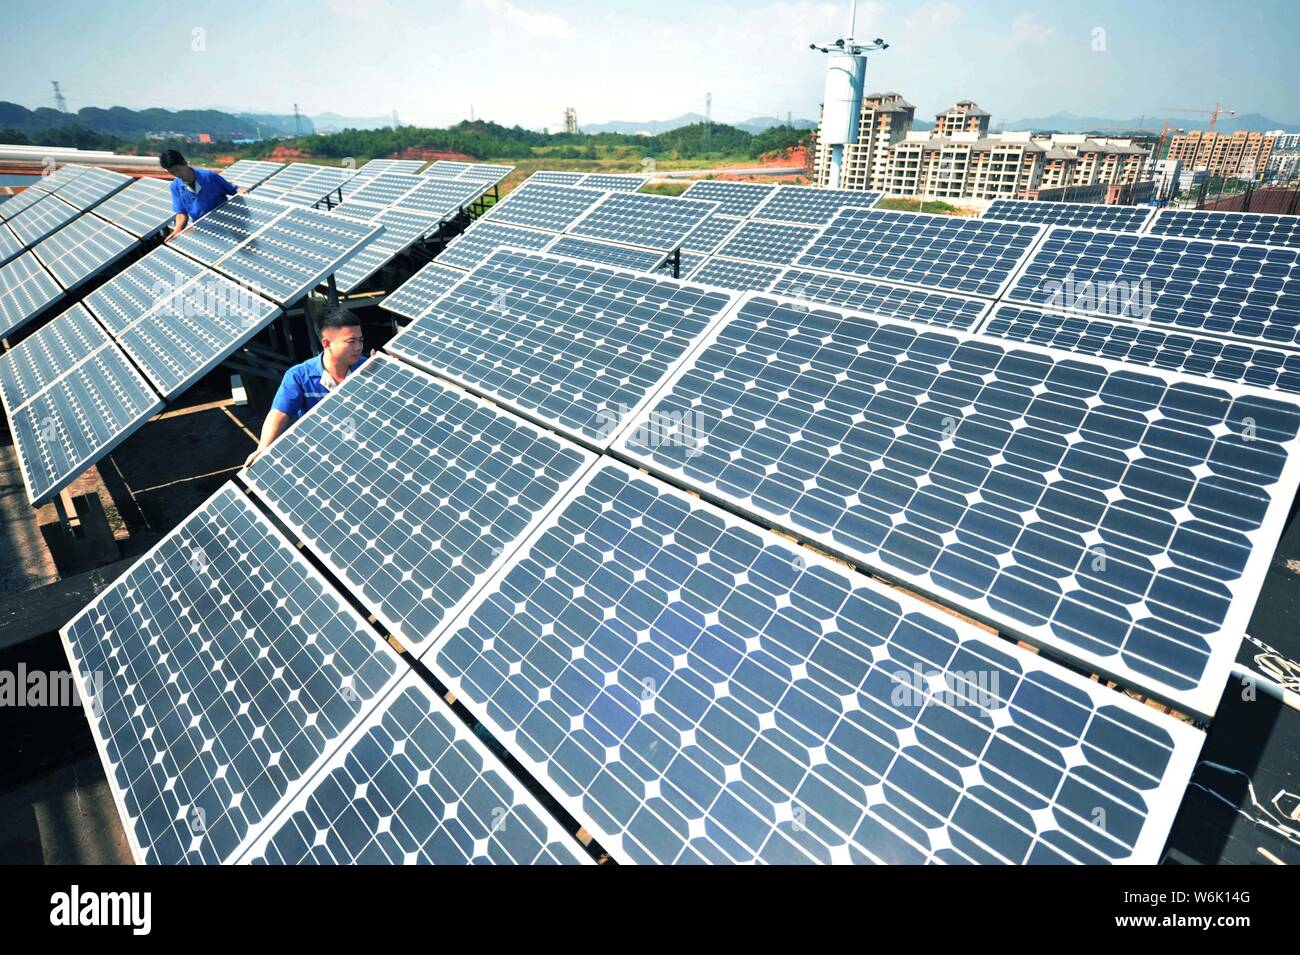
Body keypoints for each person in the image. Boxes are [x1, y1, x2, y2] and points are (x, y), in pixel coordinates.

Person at [244, 308, 369, 467]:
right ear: (326, 343)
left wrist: (389, 370)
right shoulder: (298, 376)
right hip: (320, 455)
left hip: (362, 449)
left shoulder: (368, 368)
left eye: (361, 340)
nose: (358, 347)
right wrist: (263, 448)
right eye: (351, 342)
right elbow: (279, 413)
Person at [159, 149, 243, 241]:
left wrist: (240, 190)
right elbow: (181, 213)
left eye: (178, 170)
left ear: (185, 163)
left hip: (227, 227)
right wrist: (177, 231)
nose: (177, 174)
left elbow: (233, 190)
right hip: (204, 231)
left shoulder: (209, 176)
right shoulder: (175, 186)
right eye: (172, 172)